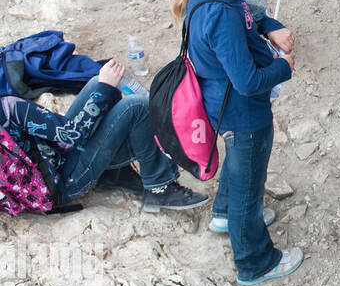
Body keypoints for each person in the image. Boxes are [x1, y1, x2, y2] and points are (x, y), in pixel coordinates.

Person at [170, 0, 303, 285]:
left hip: (223, 107)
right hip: (244, 114)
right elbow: (246, 81)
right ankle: (255, 261)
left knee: (240, 166)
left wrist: (269, 25)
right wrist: (282, 67)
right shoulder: (219, 15)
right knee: (249, 184)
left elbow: (250, 17)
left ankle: (225, 212)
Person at [1, 61, 208, 213]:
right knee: (135, 107)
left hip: (45, 169)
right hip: (63, 181)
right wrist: (105, 88)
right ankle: (159, 187)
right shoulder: (9, 108)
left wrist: (102, 88)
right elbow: (71, 135)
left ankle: (111, 173)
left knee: (95, 84)